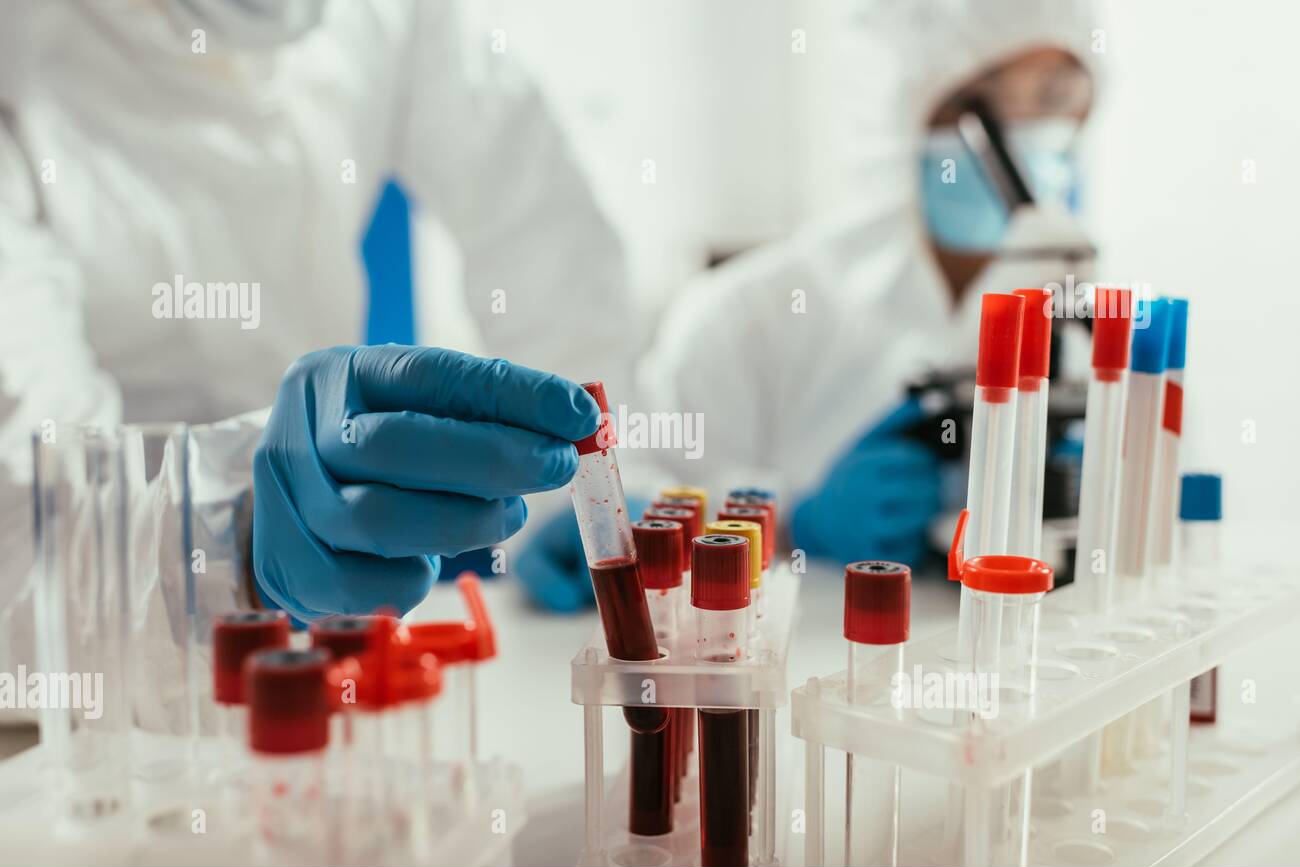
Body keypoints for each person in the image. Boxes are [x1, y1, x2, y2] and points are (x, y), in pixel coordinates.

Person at [0, 0, 633, 663]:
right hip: (104, 659)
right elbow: (22, 531)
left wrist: (591, 493)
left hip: (332, 623)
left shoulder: (389, 18)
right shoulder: (24, 69)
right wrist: (230, 539)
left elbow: (544, 233)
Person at [636, 0, 1097, 569]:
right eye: (972, 104)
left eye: (1053, 97)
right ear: (895, 114)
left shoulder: (1093, 324)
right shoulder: (741, 316)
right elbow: (645, 522)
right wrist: (797, 519)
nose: (1024, 134)